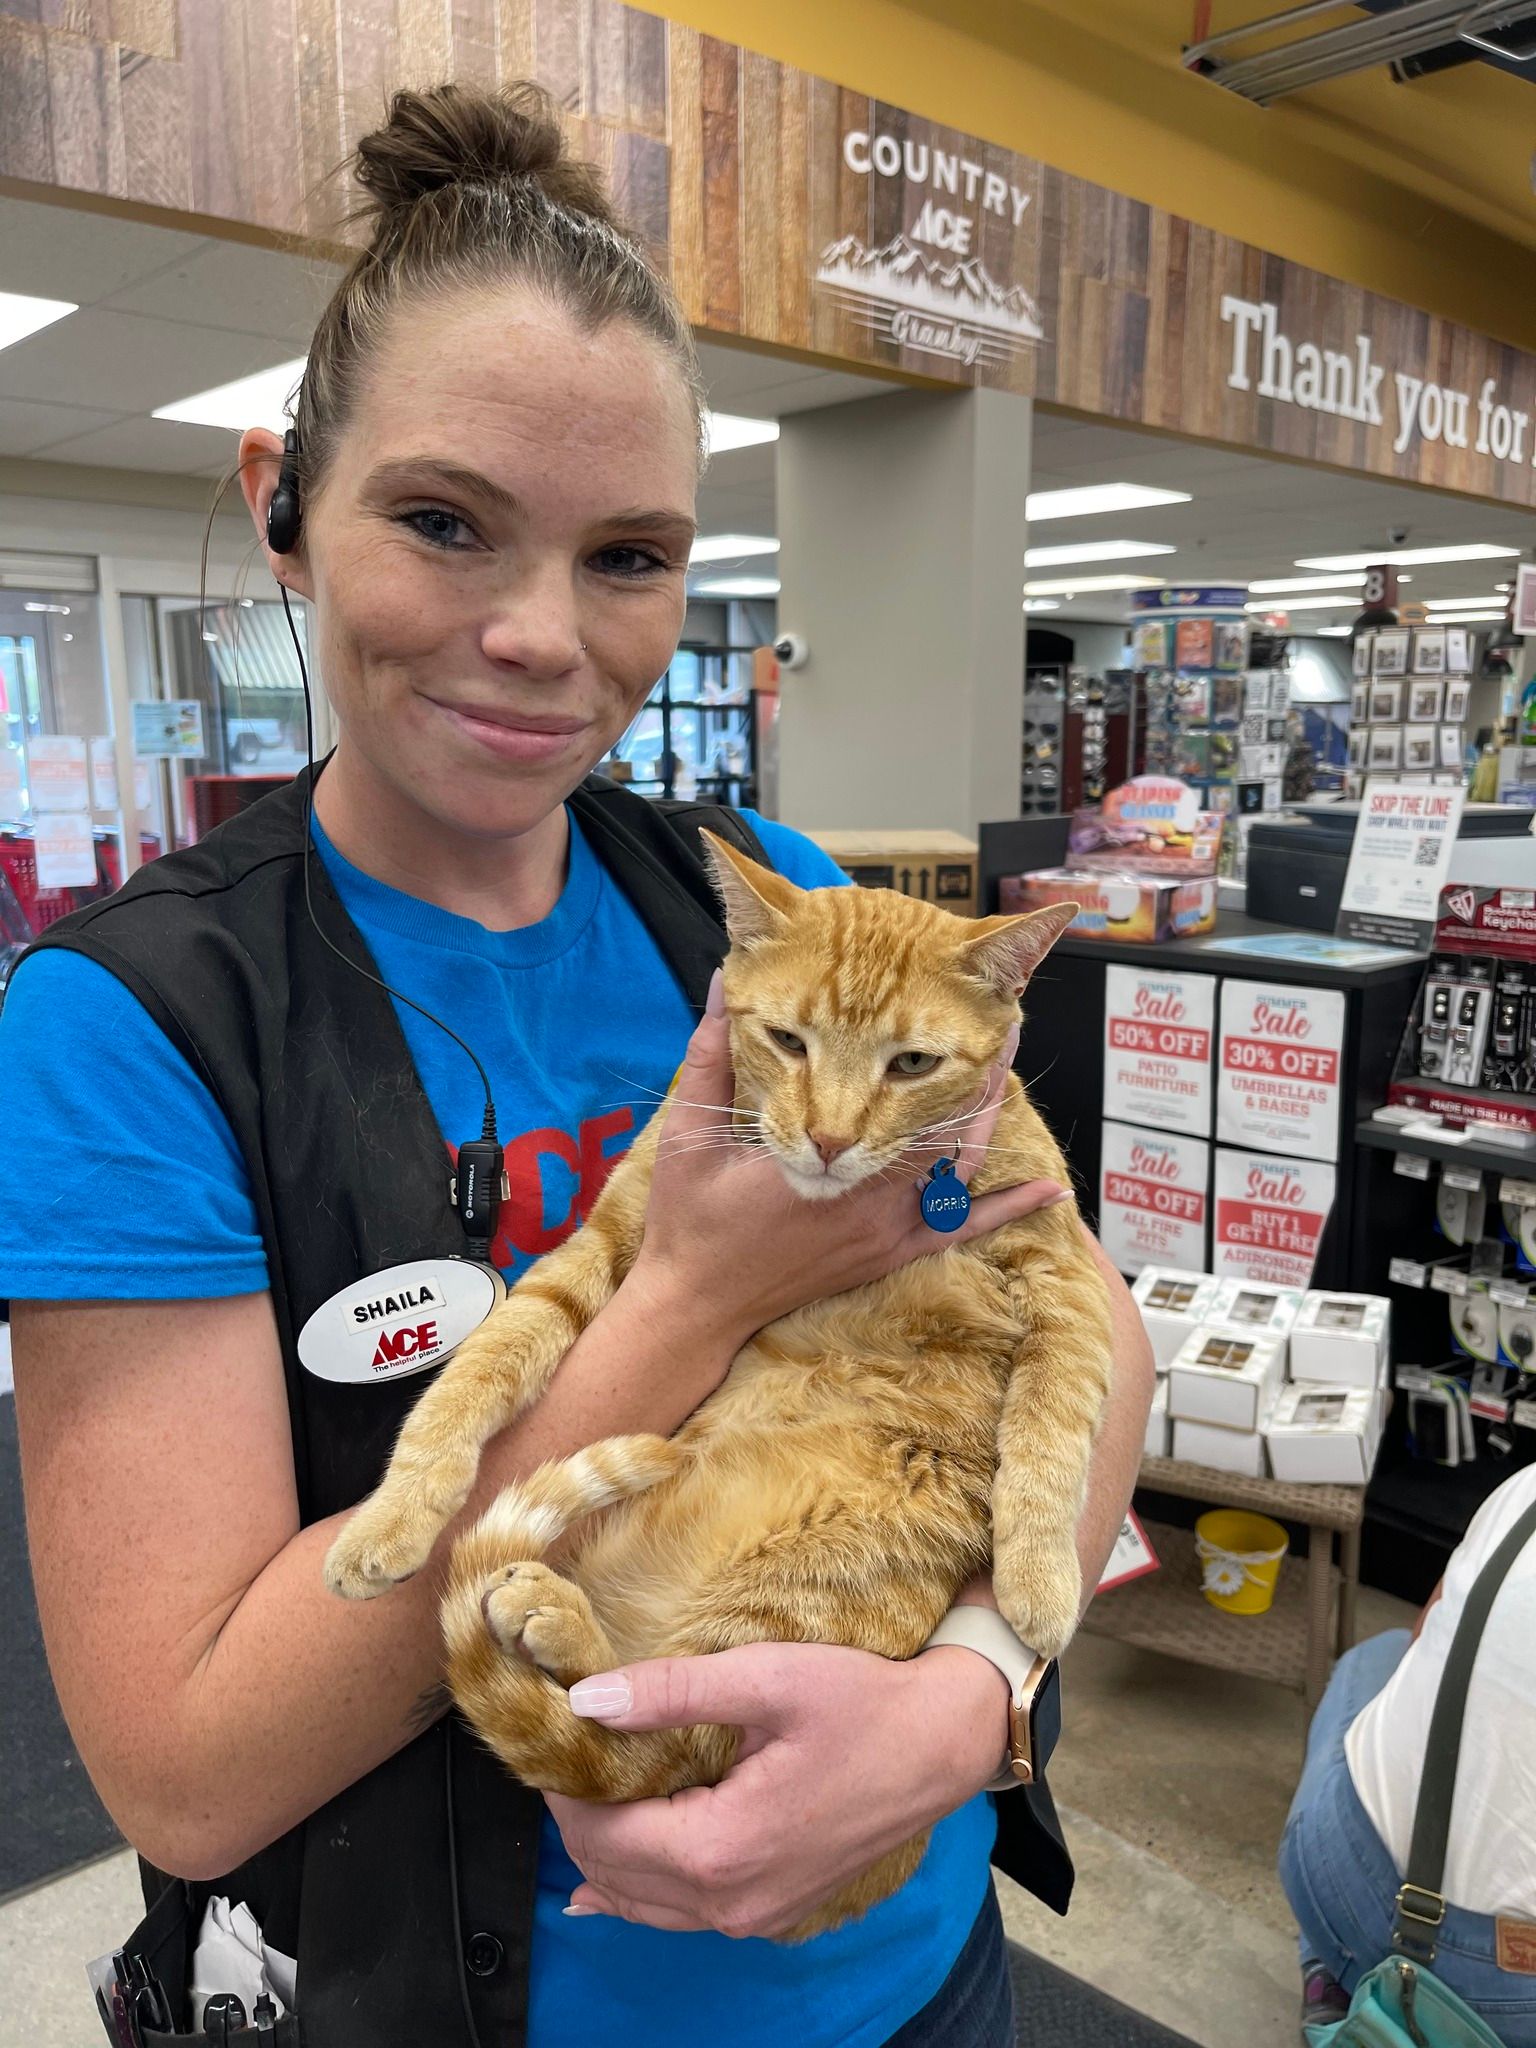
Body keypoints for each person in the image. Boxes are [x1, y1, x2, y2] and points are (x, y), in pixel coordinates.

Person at [3, 82, 1153, 2047]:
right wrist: (696, 1292)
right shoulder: (132, 1024)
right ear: (286, 501)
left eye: (628, 556)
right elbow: (186, 1770)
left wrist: (969, 1701)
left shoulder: (775, 908)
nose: (542, 636)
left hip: (913, 1966)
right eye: (444, 524)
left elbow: (1090, 1322)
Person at [1280, 1463, 1536, 2044]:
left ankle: (1333, 1971)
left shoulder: (1526, 1487)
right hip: (1518, 1998)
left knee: (1376, 1659)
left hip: (1354, 1890)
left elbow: (1423, 1637)